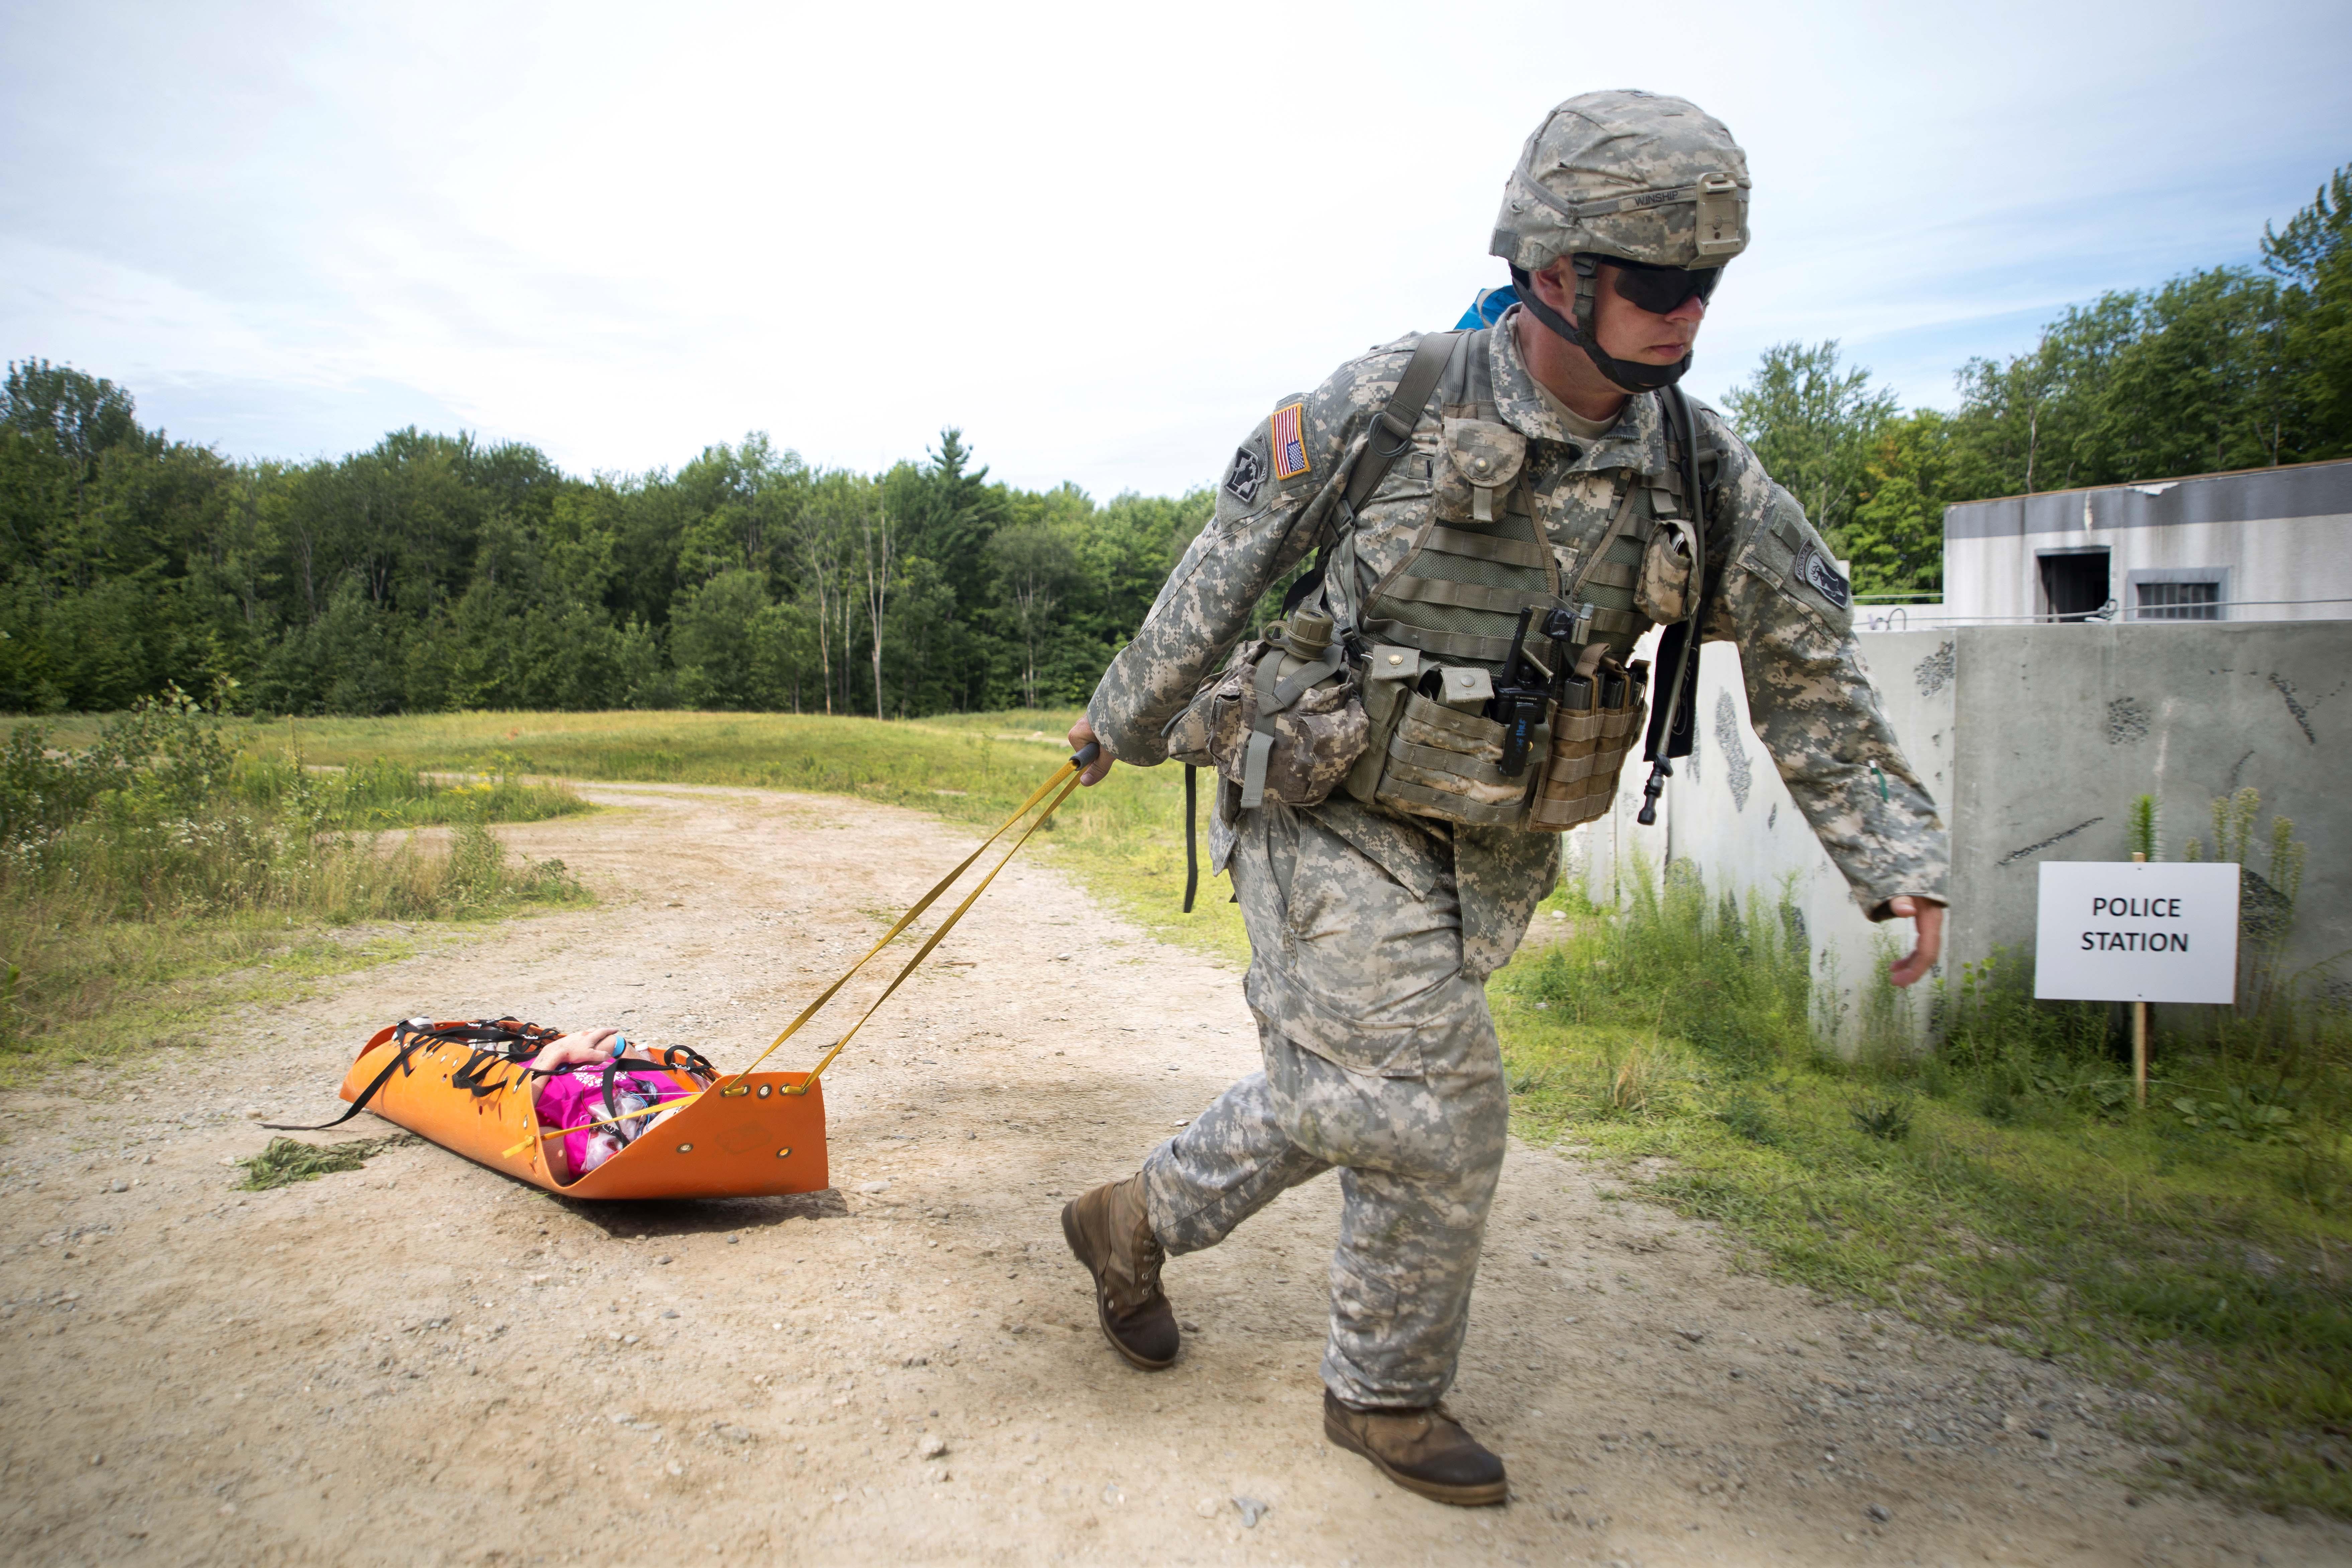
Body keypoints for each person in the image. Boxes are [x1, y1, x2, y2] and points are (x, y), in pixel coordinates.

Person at [1057, 89, 1949, 1507]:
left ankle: (1131, 1219)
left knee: (1345, 1092)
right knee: (1431, 1106)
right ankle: (1385, 1398)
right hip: (1323, 803)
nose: (1685, 317)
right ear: (1552, 272)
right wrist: (1121, 721)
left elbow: (1806, 660)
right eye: (1656, 283)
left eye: (1704, 285)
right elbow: (1218, 569)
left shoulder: (1699, 467)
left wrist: (1892, 853)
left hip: (1492, 846)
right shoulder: (1392, 401)